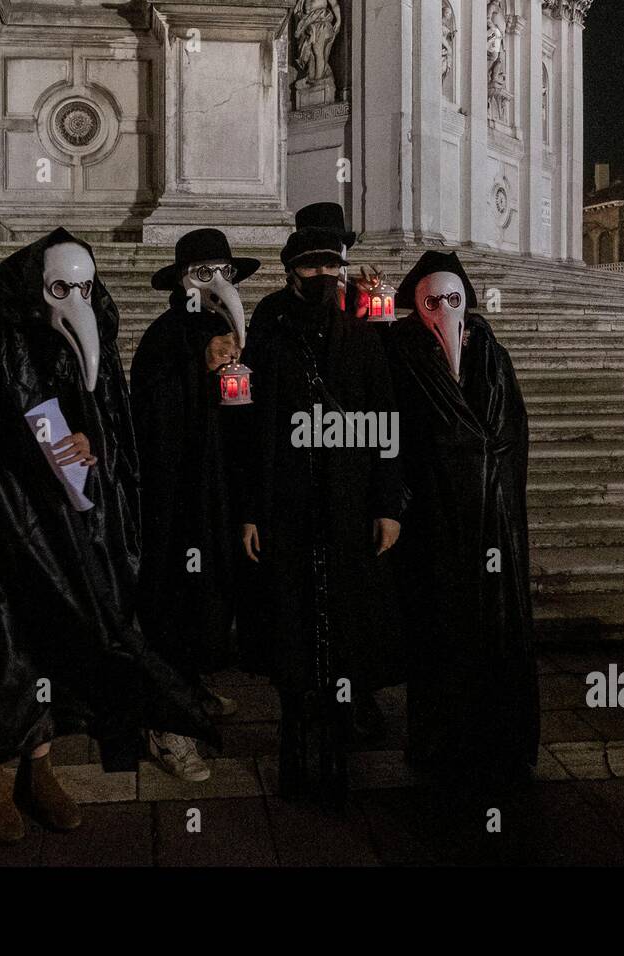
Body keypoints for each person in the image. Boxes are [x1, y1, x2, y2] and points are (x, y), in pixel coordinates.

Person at [0, 228, 216, 844]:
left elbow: (105, 420)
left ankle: (40, 771)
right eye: (62, 288)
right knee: (1, 649)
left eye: (85, 289)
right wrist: (33, 464)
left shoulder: (81, 340)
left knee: (50, 644)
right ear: (38, 287)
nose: (75, 300)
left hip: (64, 531)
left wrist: (89, 446)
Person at [238, 203, 406, 805]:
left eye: (332, 266)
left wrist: (387, 504)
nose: (323, 277)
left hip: (347, 504)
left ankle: (338, 749)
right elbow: (251, 426)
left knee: (345, 633)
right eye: (310, 267)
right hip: (287, 505)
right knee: (291, 631)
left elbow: (385, 417)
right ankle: (295, 750)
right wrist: (252, 509)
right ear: (289, 272)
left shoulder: (362, 329)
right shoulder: (268, 325)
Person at [383, 251, 539, 784]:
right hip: (436, 519)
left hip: (492, 519)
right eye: (434, 301)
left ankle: (501, 740)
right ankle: (441, 741)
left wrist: (471, 458)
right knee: (440, 627)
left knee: (496, 627)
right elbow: (398, 426)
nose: (447, 310)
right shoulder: (402, 349)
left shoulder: (489, 350)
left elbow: (508, 430)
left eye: (455, 300)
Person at [131, 229, 261, 782]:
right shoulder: (164, 338)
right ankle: (166, 724)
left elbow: (239, 423)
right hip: (173, 503)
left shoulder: (219, 332)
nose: (219, 284)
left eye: (226, 273)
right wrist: (197, 367)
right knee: (173, 604)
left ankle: (191, 687)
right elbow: (151, 415)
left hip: (216, 498)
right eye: (206, 272)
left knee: (210, 598)